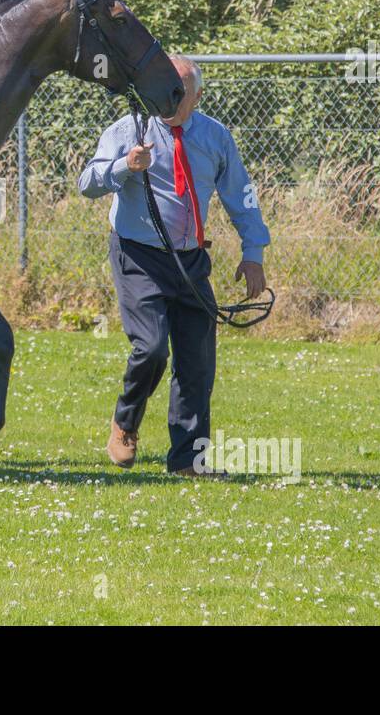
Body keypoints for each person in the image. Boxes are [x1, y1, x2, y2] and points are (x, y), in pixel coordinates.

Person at [78, 56, 270, 476]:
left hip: (191, 260)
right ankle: (125, 424)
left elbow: (242, 196)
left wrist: (253, 251)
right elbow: (86, 182)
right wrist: (124, 166)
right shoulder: (131, 130)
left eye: (180, 93)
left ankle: (188, 461)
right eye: (165, 89)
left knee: (197, 362)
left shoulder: (215, 137)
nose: (170, 98)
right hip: (138, 255)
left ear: (197, 97)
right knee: (150, 348)